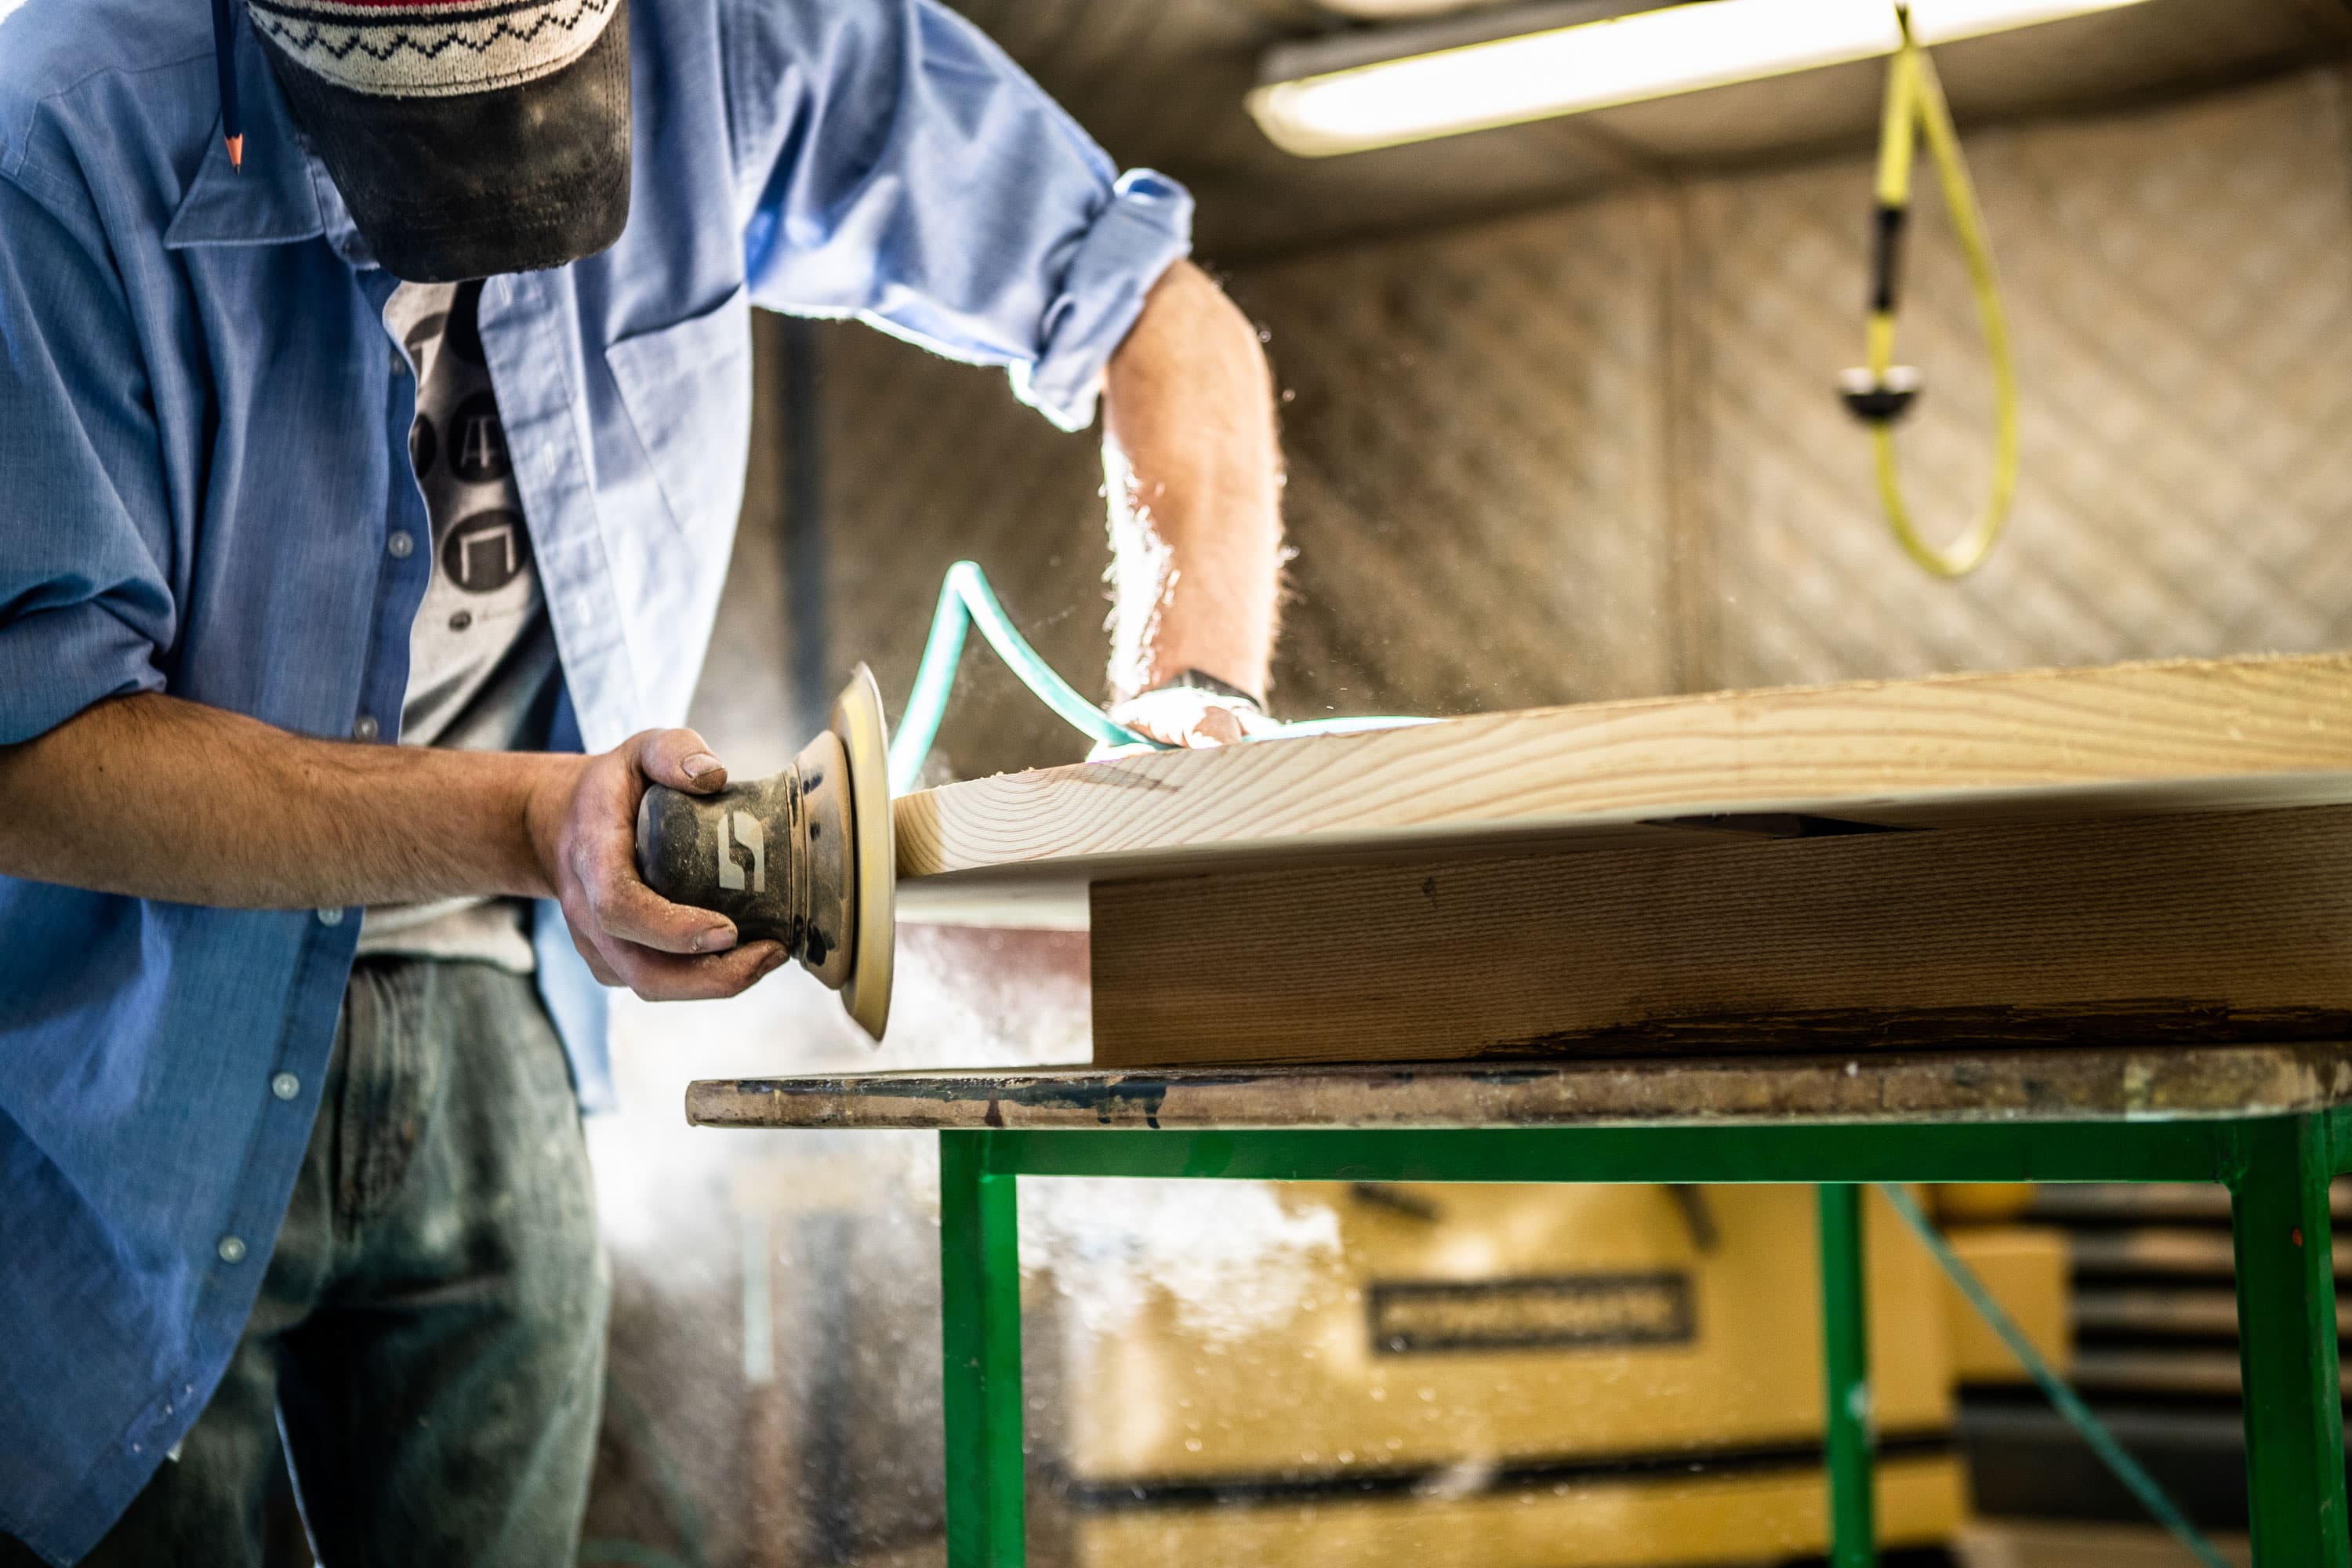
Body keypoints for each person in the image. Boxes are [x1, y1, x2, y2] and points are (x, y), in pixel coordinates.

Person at [0, 0, 1285, 1559]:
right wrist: (539, 821)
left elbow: (1158, 312)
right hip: (103, 1049)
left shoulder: (738, 34)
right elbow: (36, 750)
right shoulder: (56, 124)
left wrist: (1190, 711)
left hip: (501, 999)